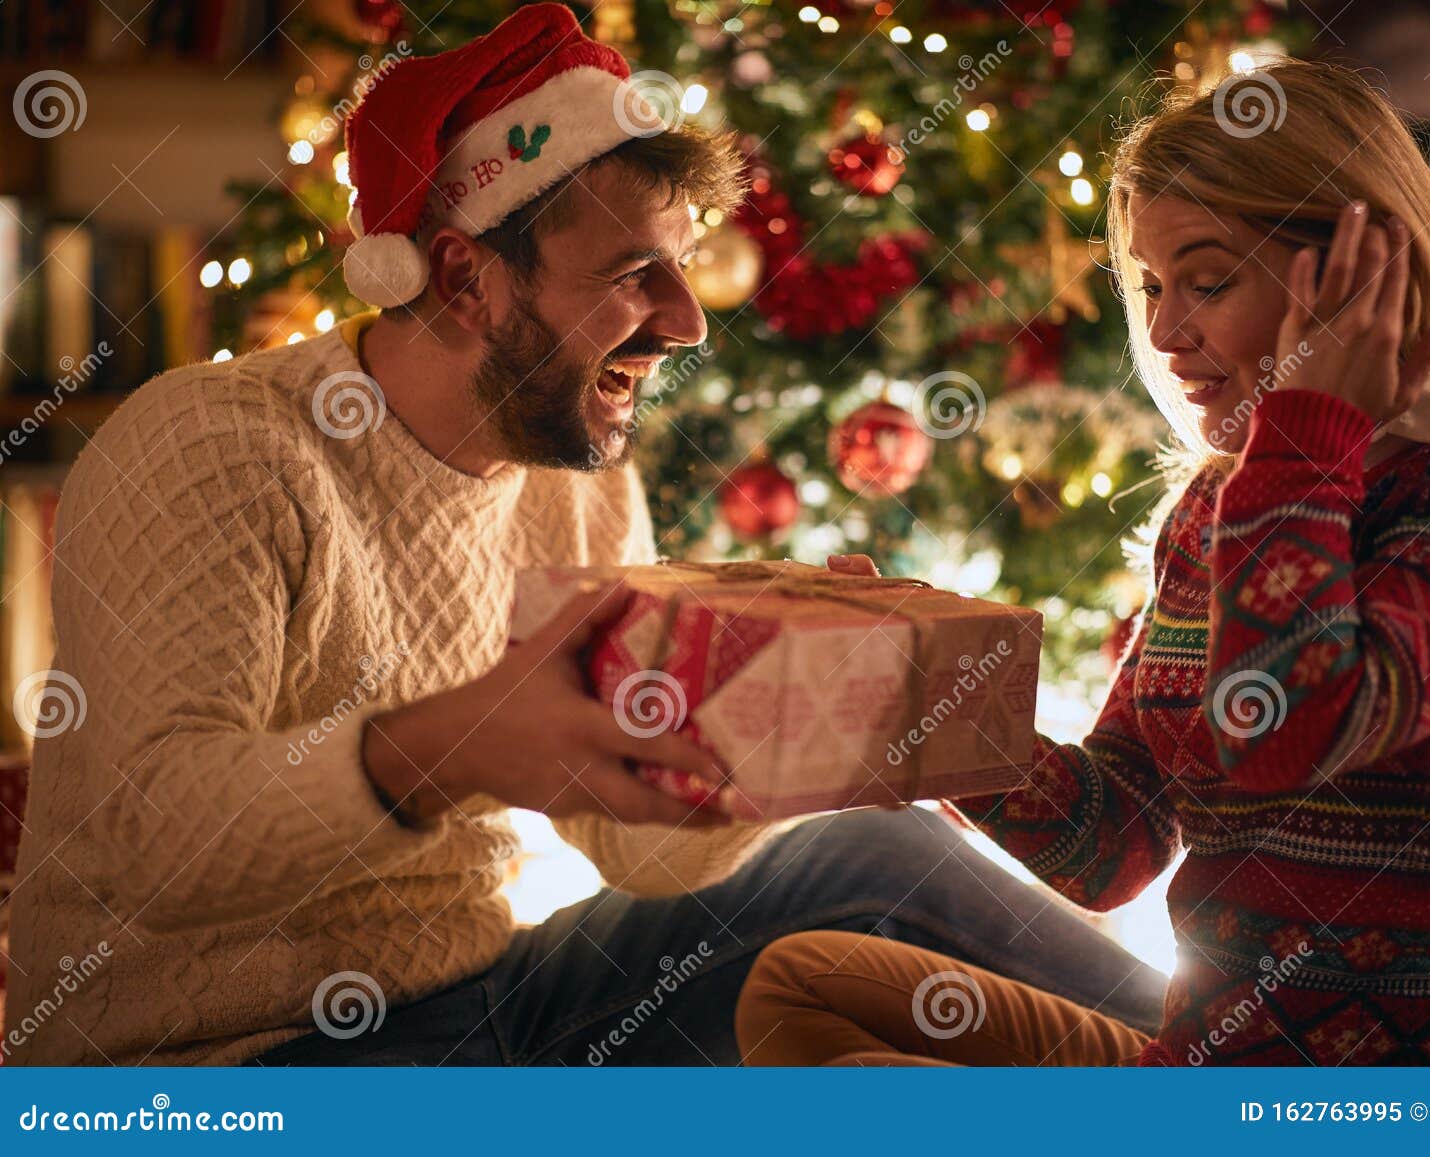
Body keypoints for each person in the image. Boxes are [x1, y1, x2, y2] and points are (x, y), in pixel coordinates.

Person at [1, 5, 1166, 1067]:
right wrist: (443, 748)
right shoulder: (214, 447)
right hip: (225, 1063)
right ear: (462, 277)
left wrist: (776, 733)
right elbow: (145, 845)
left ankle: (1241, 1069)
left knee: (869, 860)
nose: (687, 319)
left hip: (490, 995)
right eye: (631, 274)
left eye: (684, 266)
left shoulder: (573, 466)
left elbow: (634, 856)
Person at [738, 59, 1430, 1067]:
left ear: (1363, 269)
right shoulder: (1225, 498)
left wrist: (1306, 432)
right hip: (1199, 1065)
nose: (1162, 331)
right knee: (806, 987)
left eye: (1207, 280)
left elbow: (1290, 723)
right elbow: (1114, 837)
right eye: (1150, 285)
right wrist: (917, 677)